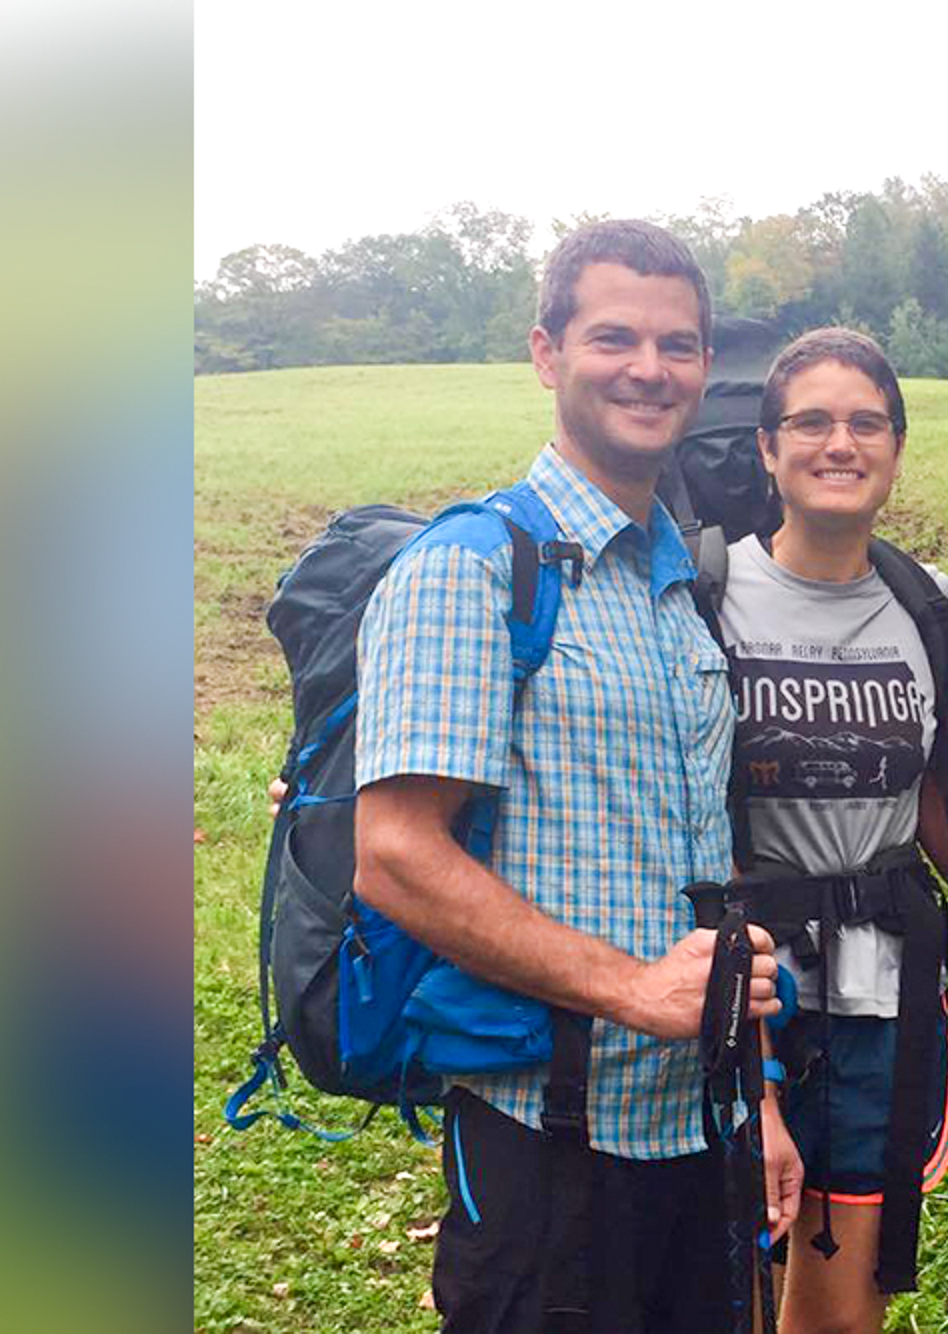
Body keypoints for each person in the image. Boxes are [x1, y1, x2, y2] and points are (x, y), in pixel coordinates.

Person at [349, 219, 799, 1332]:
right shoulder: (470, 566)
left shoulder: (674, 582)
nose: (648, 369)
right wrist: (632, 990)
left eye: (677, 345)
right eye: (614, 337)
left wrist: (763, 1094)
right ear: (546, 352)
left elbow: (696, 853)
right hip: (547, 1137)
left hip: (701, 1128)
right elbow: (396, 857)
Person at [714, 327, 948, 1332]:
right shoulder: (705, 593)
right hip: (740, 985)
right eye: (811, 421)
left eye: (865, 421)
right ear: (767, 449)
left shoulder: (931, 608)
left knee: (842, 1293)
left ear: (896, 448)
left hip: (882, 994)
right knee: (723, 1274)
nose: (840, 442)